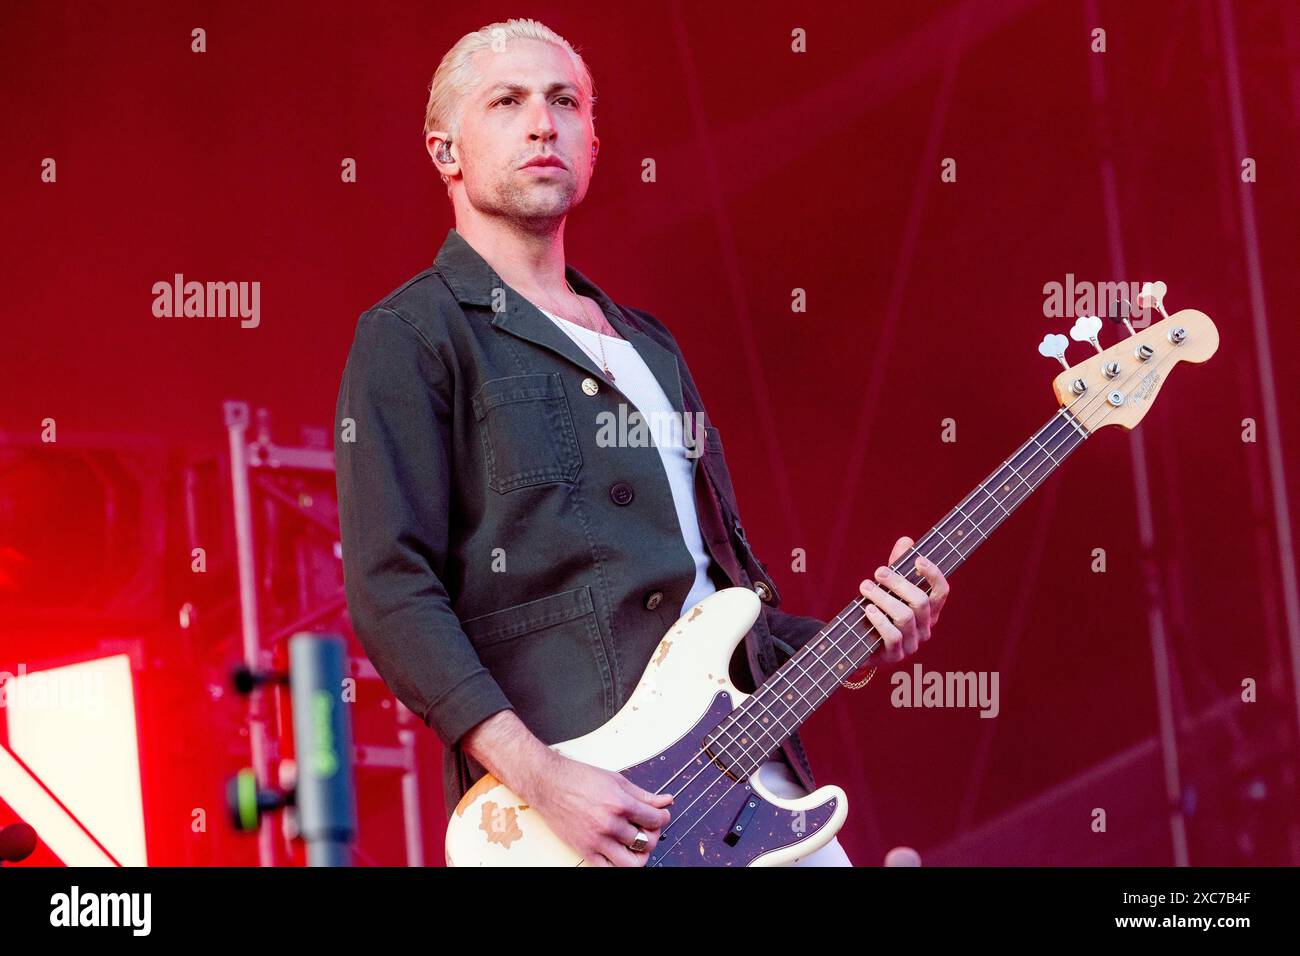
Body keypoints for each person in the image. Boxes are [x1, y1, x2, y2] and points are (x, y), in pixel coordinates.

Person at [334, 18, 950, 867]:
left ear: (593, 141)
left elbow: (716, 602)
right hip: (585, 816)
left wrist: (862, 638)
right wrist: (541, 777)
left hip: (753, 793)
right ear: (446, 151)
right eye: (507, 102)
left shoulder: (650, 346)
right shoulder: (412, 335)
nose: (543, 122)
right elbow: (391, 590)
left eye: (565, 102)